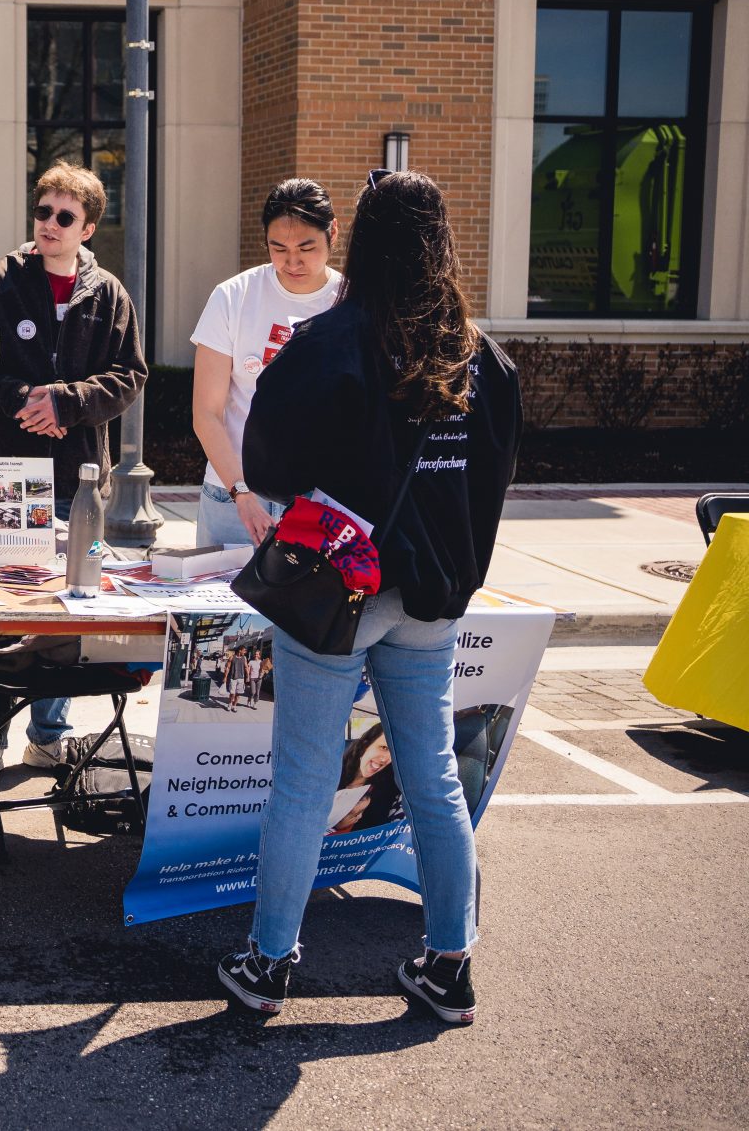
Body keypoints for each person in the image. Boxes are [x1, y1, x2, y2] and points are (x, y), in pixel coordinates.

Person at [214, 170, 522, 1025]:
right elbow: (492, 482)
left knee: (306, 779)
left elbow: (267, 463)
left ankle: (270, 960)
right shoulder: (483, 356)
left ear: (364, 244)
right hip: (433, 595)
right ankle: (449, 961)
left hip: (340, 590)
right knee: (433, 776)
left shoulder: (336, 339)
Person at [0, 161, 146, 773]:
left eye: (65, 217)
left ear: (87, 229)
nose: (50, 224)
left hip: (76, 486)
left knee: (62, 615)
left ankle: (48, 735)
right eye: (43, 212)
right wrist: (21, 403)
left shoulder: (108, 294)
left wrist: (66, 402)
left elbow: (129, 376)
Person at [190, 180, 342, 549]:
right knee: (221, 607)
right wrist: (242, 493)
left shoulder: (349, 303)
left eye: (307, 247)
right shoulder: (234, 296)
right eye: (279, 248)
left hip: (322, 502)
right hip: (233, 493)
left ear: (332, 233)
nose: (292, 261)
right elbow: (206, 413)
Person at [330, 724, 401, 833]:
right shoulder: (330, 773)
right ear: (365, 745)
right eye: (383, 748)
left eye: (393, 753)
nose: (385, 759)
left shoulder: (388, 787)